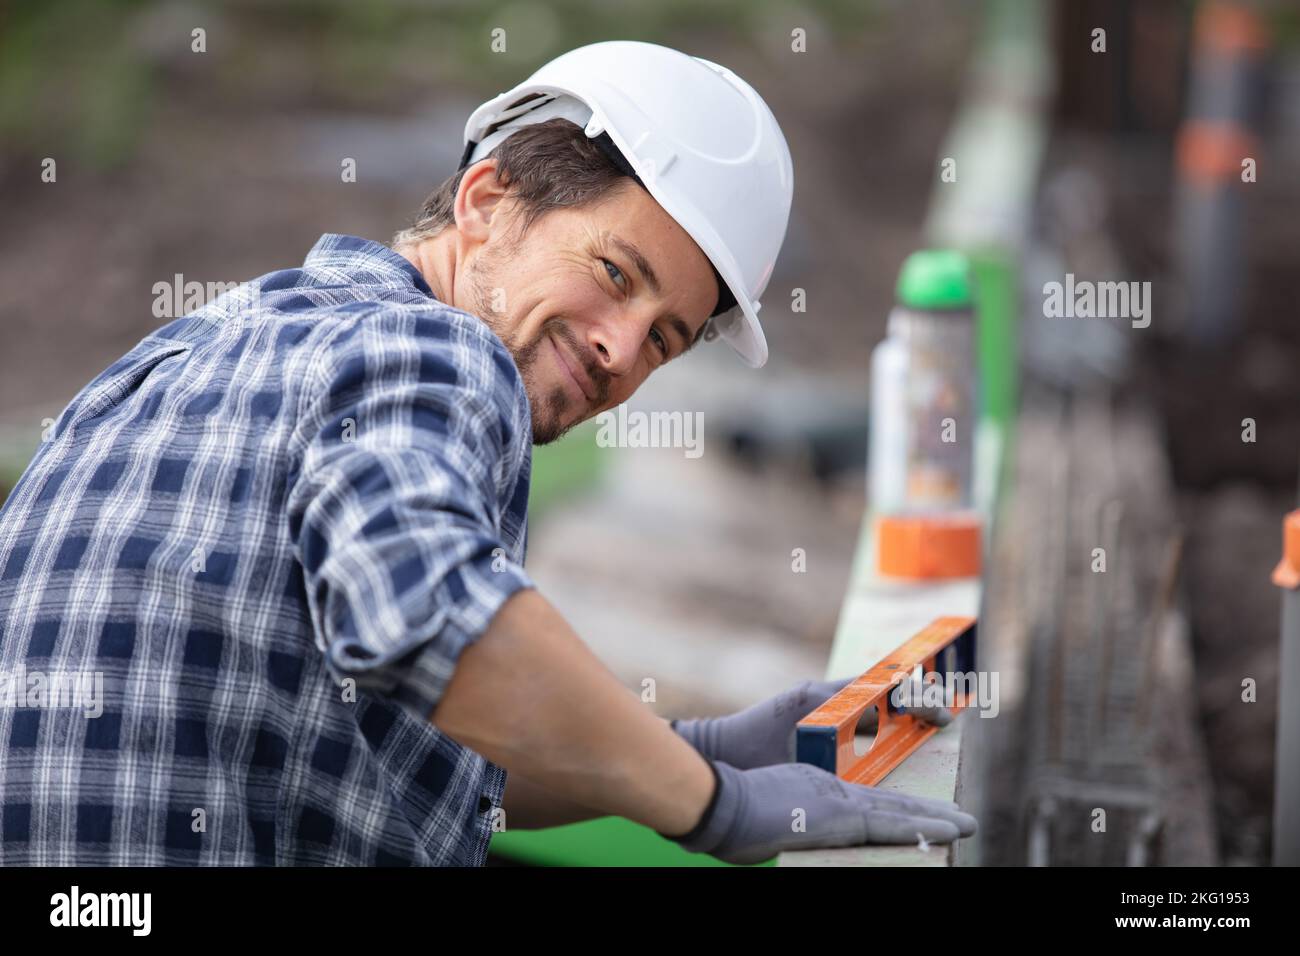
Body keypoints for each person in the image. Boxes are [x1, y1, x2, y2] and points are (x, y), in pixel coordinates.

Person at [0, 40, 973, 866]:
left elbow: (431, 715)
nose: (621, 350)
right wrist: (709, 801)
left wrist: (690, 748)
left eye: (666, 338)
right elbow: (424, 612)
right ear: (485, 200)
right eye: (613, 271)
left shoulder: (187, 352)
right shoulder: (432, 349)